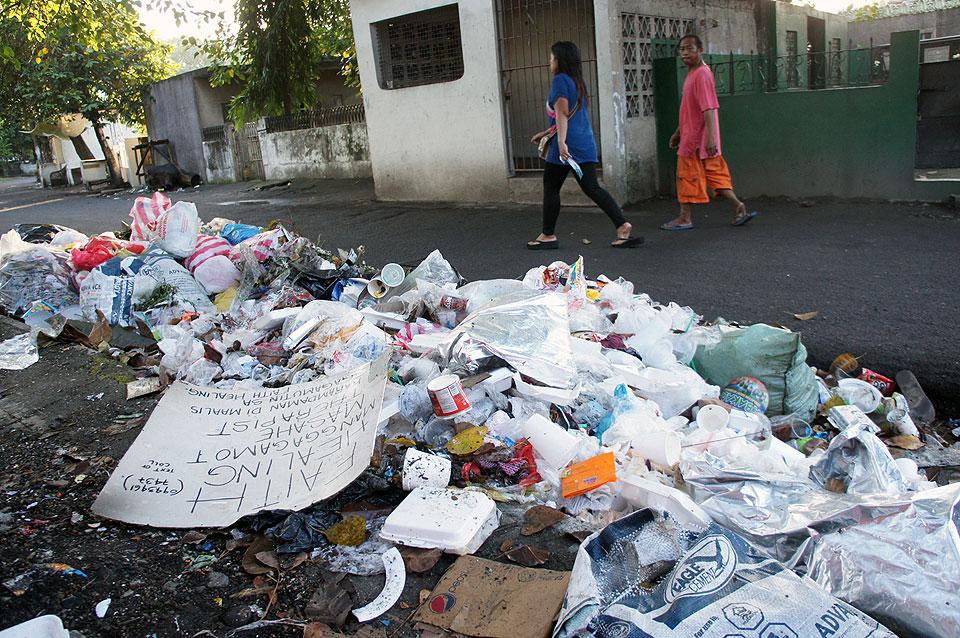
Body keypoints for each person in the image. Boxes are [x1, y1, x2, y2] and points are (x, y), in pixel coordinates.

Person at [528, 41, 642, 250]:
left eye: (552, 58)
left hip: (567, 146)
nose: (550, 61)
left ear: (559, 60)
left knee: (551, 187)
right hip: (583, 143)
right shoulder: (576, 81)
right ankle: (622, 226)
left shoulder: (560, 80)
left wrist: (561, 143)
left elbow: (562, 112)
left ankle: (548, 235)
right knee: (592, 188)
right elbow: (570, 115)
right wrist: (546, 133)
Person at [662, 34, 756, 231]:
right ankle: (739, 207)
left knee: (686, 176)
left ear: (700, 50)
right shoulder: (693, 74)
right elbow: (691, 111)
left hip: (697, 141)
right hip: (695, 138)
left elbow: (709, 109)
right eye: (682, 49)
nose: (685, 52)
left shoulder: (702, 75)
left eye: (690, 48)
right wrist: (678, 133)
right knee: (716, 177)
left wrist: (711, 139)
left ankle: (685, 217)